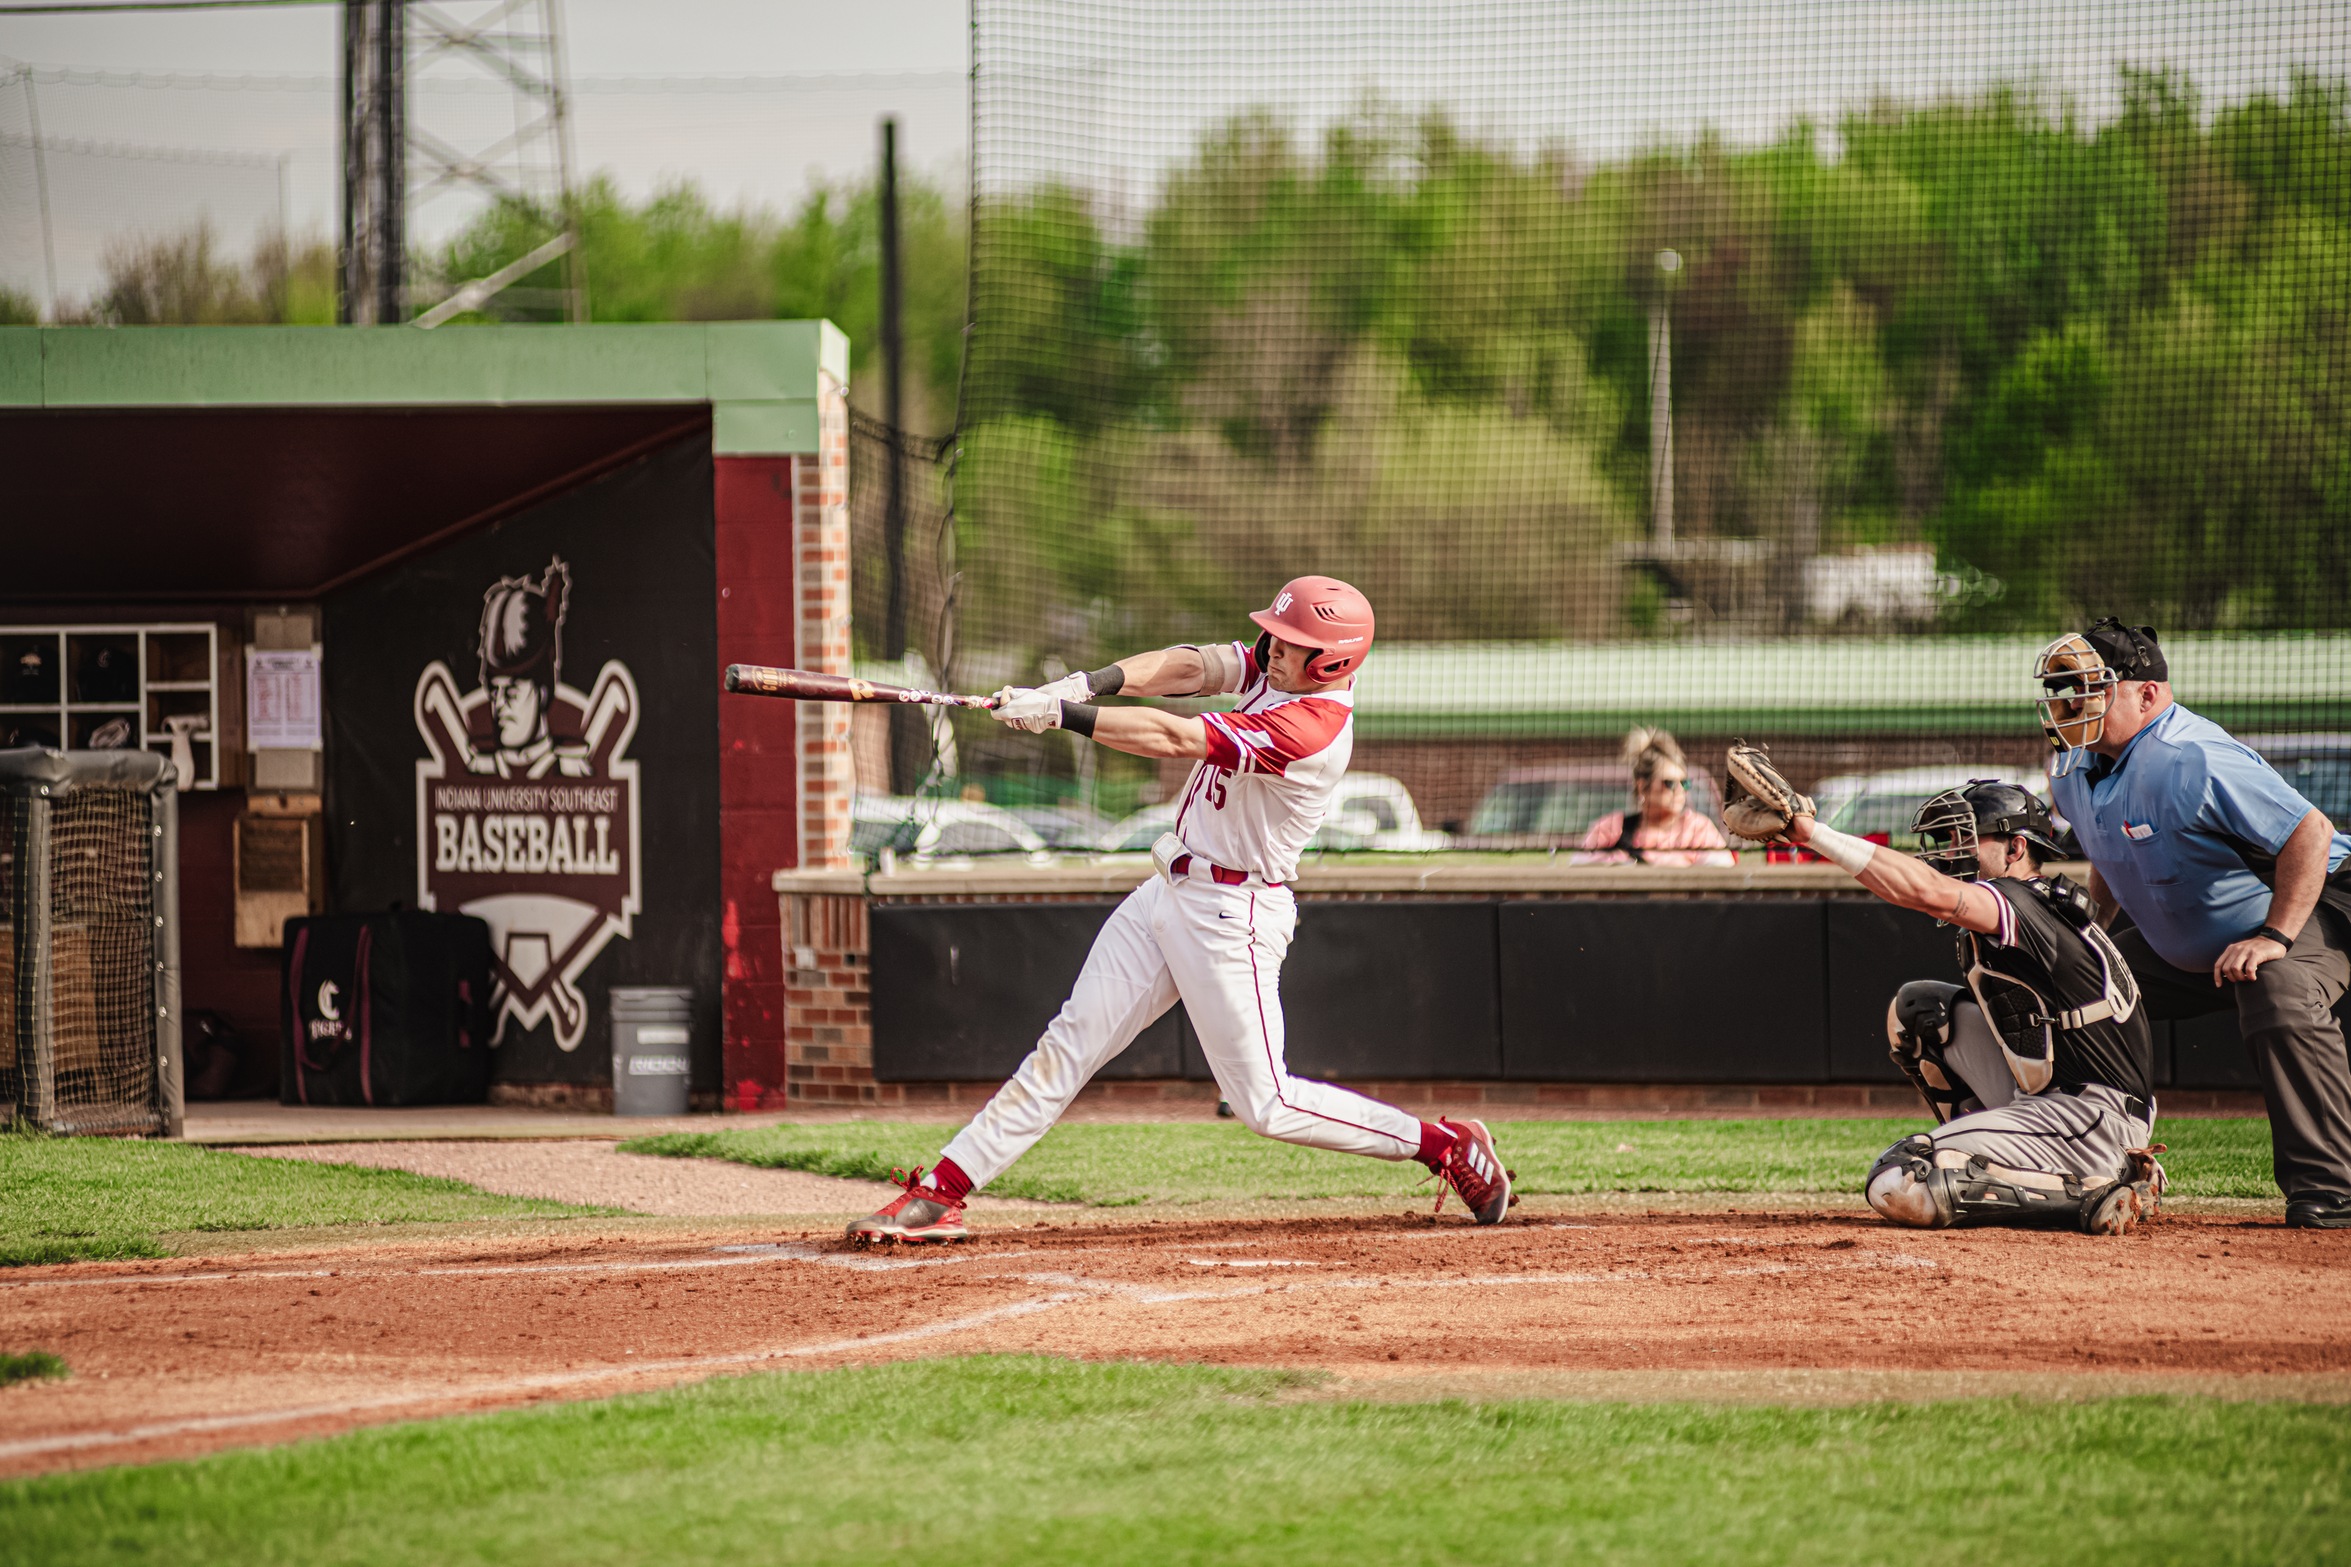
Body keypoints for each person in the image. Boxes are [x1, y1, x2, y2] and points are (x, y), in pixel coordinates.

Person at [845, 576, 1516, 1244]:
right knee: (1070, 1041)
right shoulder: (1275, 667)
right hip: (1167, 887)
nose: (1273, 647)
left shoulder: (1311, 728)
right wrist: (1082, 683)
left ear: (1330, 661)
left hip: (1233, 913)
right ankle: (944, 1190)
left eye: (1293, 643)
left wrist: (1061, 717)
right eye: (1276, 634)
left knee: (1267, 1103)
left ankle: (1441, 1144)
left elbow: (1172, 737)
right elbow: (1191, 666)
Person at [1722, 758, 2165, 1233]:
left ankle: (2093, 1188)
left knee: (1899, 1181)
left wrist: (1815, 834)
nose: (1955, 852)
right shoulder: (2033, 900)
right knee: (1919, 1013)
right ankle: (2001, 1157)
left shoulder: (2022, 898)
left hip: (2090, 1116)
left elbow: (1925, 891)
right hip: (2055, 1098)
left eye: (1969, 839)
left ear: (2016, 848)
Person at [2037, 619, 2351, 1229]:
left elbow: (2310, 833)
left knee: (2278, 985)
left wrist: (2274, 937)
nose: (2069, 702)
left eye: (2088, 687)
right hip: (2193, 941)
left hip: (2321, 902)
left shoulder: (2191, 755)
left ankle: (2330, 1189)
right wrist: (2092, 933)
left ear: (2148, 694)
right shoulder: (2071, 768)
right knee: (2073, 990)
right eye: (2063, 688)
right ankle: (2066, 1159)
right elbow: (2110, 850)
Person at [1572, 727, 1736, 866]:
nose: (1680, 790)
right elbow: (1578, 873)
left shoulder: (1698, 830)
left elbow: (1722, 873)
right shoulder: (1610, 829)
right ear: (1642, 786)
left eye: (1685, 783)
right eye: (1669, 783)